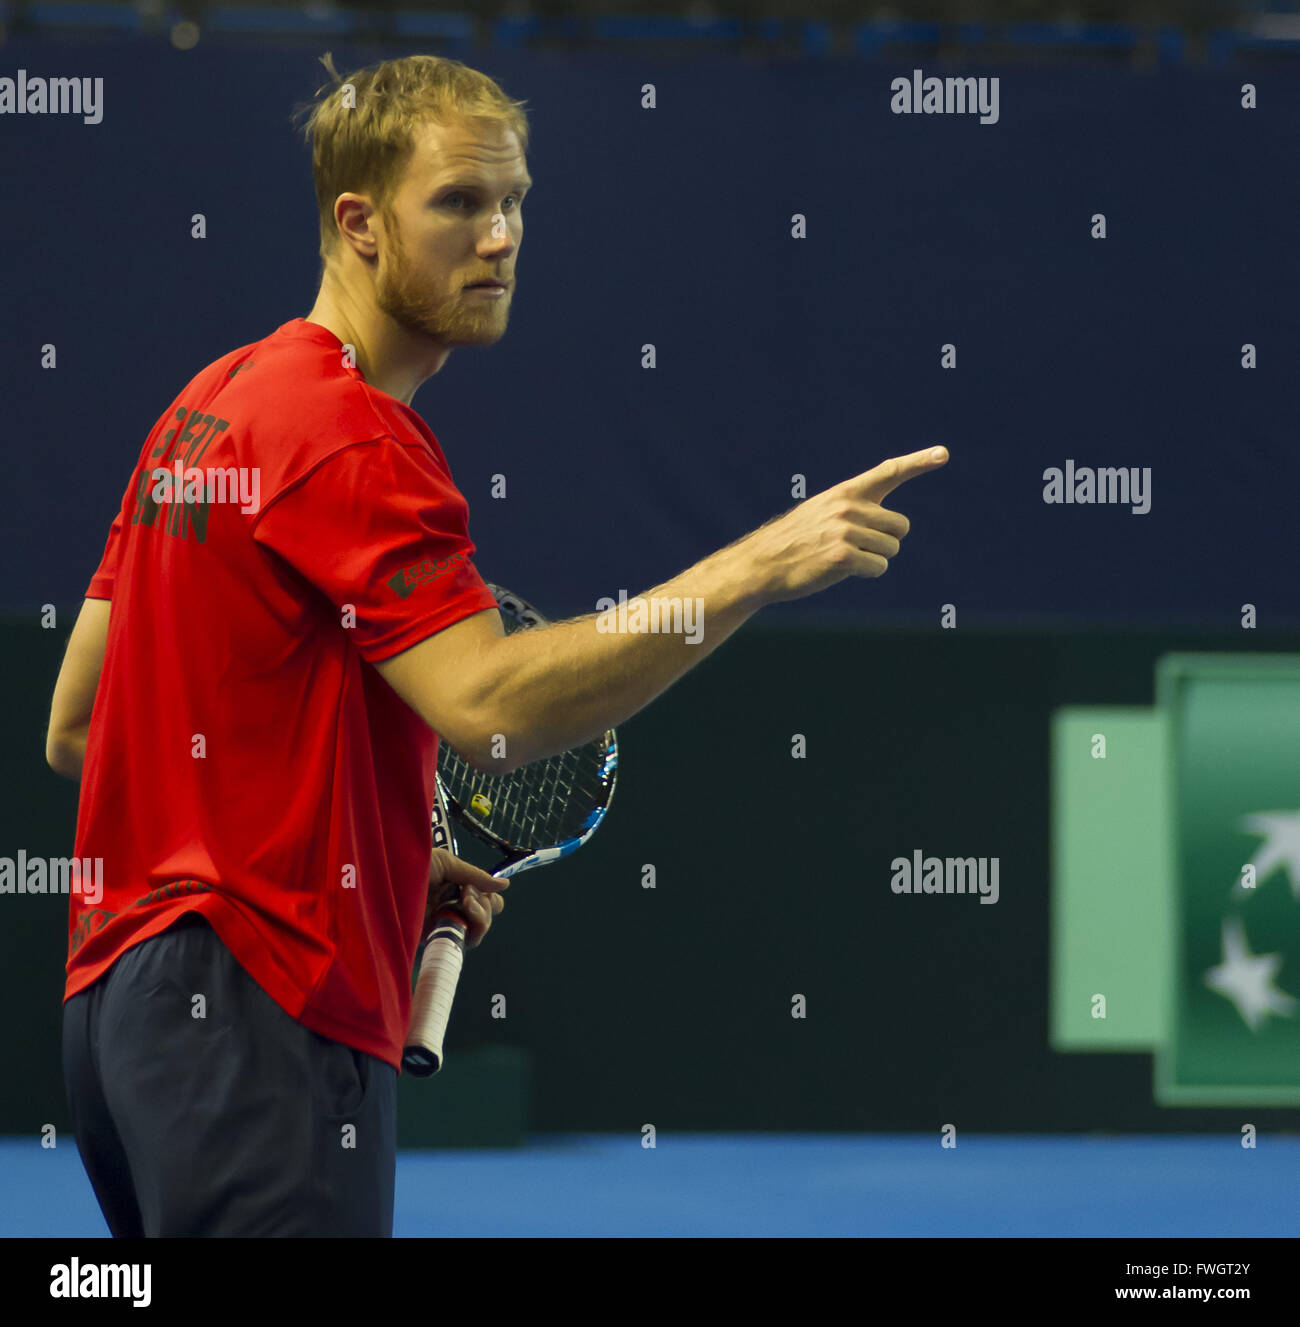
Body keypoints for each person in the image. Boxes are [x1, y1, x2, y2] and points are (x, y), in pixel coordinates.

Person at [45, 52, 948, 1238]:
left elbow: (77, 726)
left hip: (124, 1013)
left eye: (514, 201)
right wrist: (758, 567)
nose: (501, 236)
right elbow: (492, 708)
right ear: (357, 222)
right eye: (460, 204)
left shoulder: (208, 404)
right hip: (265, 1013)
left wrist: (381, 857)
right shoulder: (353, 436)